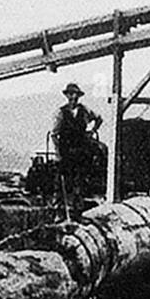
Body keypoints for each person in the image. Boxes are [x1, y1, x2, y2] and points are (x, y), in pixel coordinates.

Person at [51, 82, 103, 219]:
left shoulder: (85, 110)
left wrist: (92, 131)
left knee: (79, 181)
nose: (73, 97)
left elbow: (99, 119)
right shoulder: (61, 113)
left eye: (75, 94)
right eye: (71, 94)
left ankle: (77, 211)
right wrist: (58, 153)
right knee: (62, 182)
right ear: (67, 96)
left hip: (80, 151)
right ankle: (59, 212)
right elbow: (54, 134)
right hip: (66, 152)